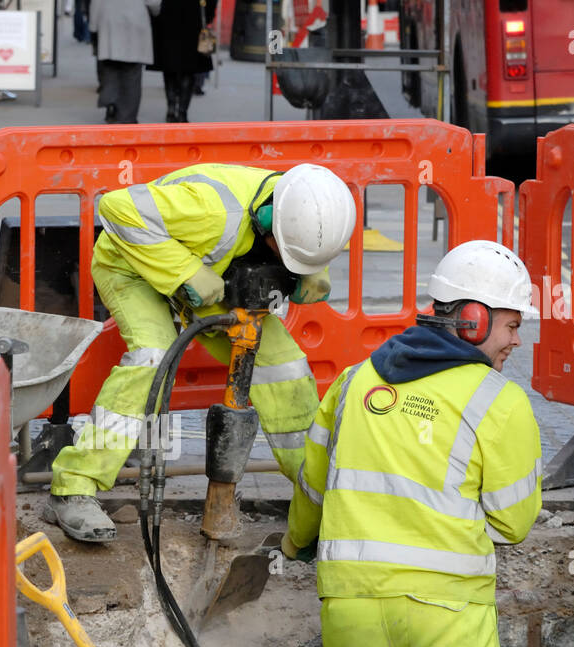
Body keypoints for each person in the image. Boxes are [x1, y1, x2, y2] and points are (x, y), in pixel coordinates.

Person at [283, 240, 543, 647]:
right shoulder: (499, 402)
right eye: (511, 326)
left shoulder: (355, 382)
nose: (516, 341)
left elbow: (312, 486)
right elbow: (513, 524)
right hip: (444, 611)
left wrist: (296, 543)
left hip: (351, 605)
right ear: (473, 321)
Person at [44, 163, 355, 542]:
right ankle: (74, 486)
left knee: (284, 368)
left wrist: (310, 270)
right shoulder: (211, 211)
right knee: (152, 358)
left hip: (214, 276)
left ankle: (317, 493)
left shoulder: (310, 209)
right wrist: (185, 272)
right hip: (132, 264)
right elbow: (116, 207)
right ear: (269, 221)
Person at [89, 0, 161, 124]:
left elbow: (96, 3)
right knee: (132, 74)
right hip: (135, 21)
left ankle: (111, 104)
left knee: (110, 69)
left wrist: (93, 25)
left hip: (109, 20)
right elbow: (153, 3)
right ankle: (127, 116)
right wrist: (156, 12)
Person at [149, 0, 216, 122]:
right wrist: (208, 16)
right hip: (193, 19)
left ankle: (171, 109)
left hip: (167, 18)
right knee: (189, 68)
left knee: (169, 66)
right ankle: (182, 112)